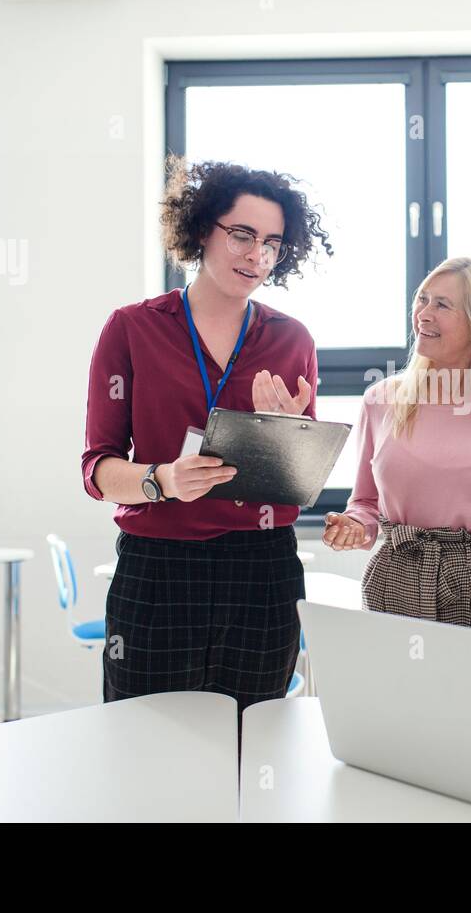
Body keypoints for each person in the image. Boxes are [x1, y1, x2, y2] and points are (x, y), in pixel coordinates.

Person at [81, 158, 331, 711]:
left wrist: (289, 436)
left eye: (272, 242)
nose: (256, 255)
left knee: (254, 738)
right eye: (242, 234)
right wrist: (163, 479)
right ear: (199, 230)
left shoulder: (293, 340)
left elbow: (296, 483)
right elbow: (98, 469)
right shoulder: (132, 328)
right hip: (159, 567)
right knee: (147, 739)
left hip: (263, 568)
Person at [322, 257, 471, 718]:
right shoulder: (382, 399)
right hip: (396, 576)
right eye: (422, 300)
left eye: (442, 304)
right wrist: (354, 525)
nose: (423, 314)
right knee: (397, 726)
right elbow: (367, 503)